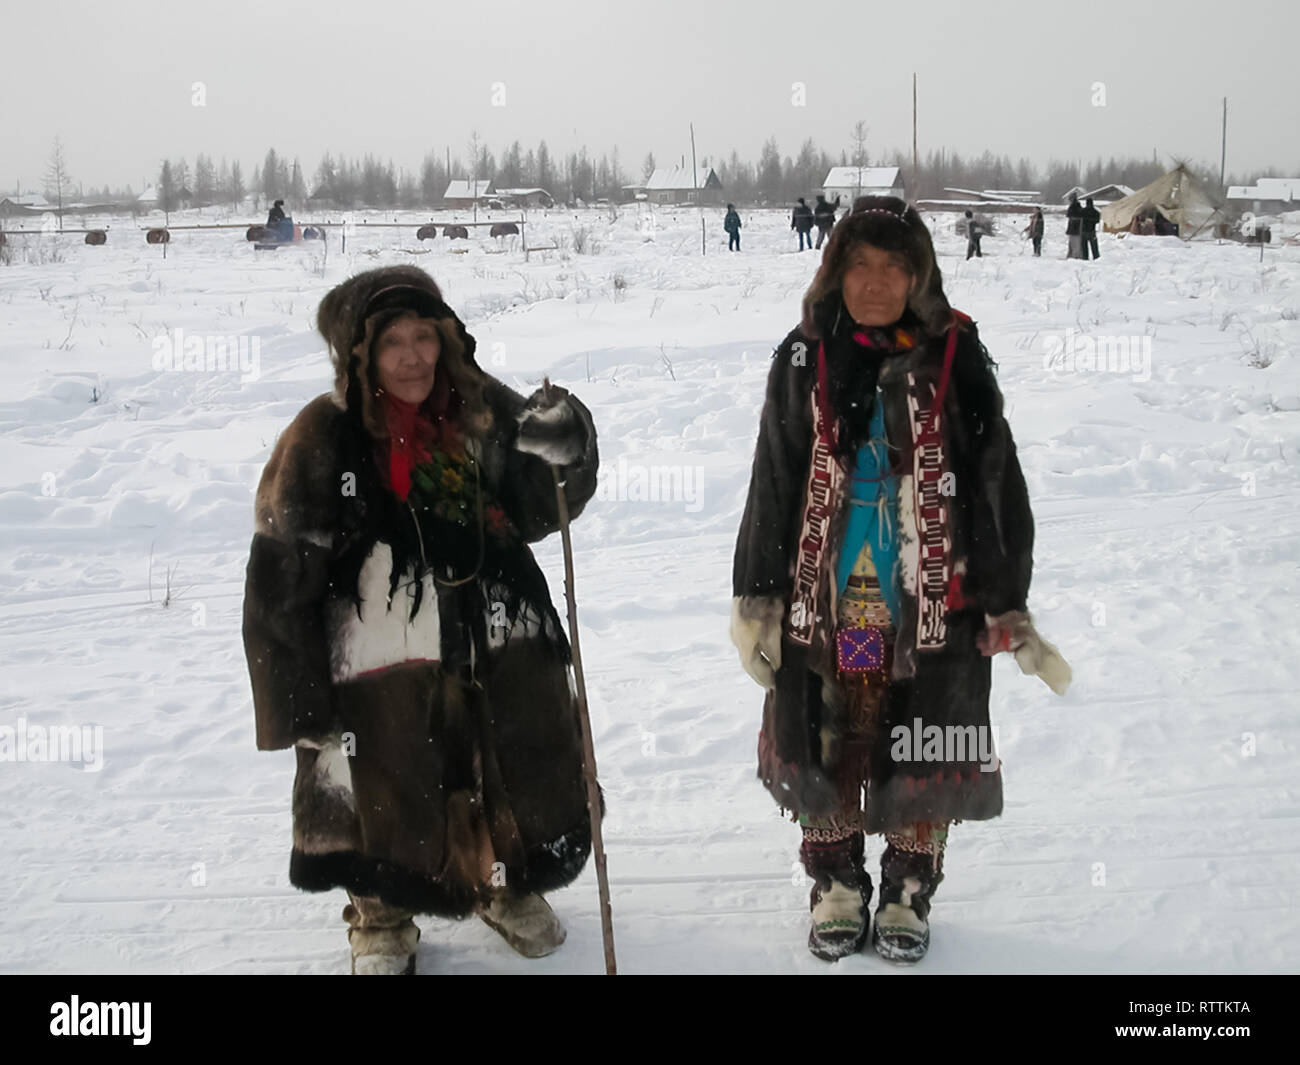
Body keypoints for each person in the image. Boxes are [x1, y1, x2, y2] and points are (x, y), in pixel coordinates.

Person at [730, 196, 1071, 964]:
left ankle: (911, 889)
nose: (877, 282)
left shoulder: (955, 353)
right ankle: (837, 883)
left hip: (934, 596)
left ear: (920, 272)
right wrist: (756, 592)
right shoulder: (801, 356)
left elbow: (994, 476)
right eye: (860, 265)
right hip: (835, 594)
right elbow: (774, 476)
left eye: (895, 265)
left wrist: (1007, 594)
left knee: (921, 731)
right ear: (835, 271)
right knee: (835, 731)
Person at [243, 265, 601, 974]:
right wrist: (297, 694)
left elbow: (538, 507)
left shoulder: (480, 407)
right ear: (359, 354)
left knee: (501, 758)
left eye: (424, 338)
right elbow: (280, 576)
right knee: (385, 772)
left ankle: (502, 881)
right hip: (374, 649)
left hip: (491, 627)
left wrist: (564, 443)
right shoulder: (323, 435)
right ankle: (381, 912)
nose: (413, 357)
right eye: (392, 343)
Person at [1065, 192, 1084, 259]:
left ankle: (1076, 255)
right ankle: (1073, 254)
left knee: (1075, 242)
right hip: (1074, 227)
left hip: (1075, 227)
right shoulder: (1076, 206)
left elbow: (1070, 215)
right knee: (1073, 242)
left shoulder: (1075, 206)